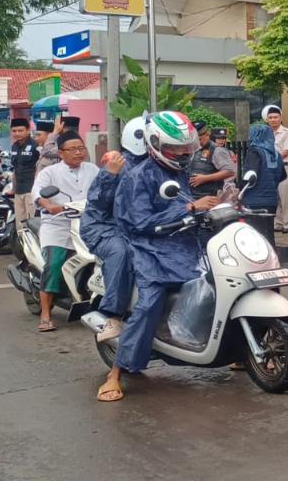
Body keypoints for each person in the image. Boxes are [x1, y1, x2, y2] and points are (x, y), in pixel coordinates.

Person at [97, 112, 219, 402]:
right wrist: (188, 210)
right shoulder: (137, 176)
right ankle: (115, 373)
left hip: (185, 243)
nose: (180, 154)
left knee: (219, 283)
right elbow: (137, 221)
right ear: (153, 144)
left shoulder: (178, 172)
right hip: (149, 247)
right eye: (174, 149)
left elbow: (187, 202)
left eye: (184, 148)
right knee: (150, 302)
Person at [81, 116, 150, 343]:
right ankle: (112, 315)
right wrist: (109, 174)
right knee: (121, 252)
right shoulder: (118, 163)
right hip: (104, 227)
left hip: (138, 226)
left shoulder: (159, 164)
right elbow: (98, 202)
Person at [31, 130, 101, 332]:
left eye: (81, 148)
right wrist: (48, 204)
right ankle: (45, 314)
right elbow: (38, 192)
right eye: (73, 149)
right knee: (54, 264)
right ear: (61, 153)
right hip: (58, 225)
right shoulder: (49, 173)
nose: (78, 152)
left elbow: (104, 189)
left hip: (88, 224)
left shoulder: (92, 169)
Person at [242, 123, 288, 246]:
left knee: (256, 236)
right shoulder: (276, 154)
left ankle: (261, 264)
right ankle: (274, 261)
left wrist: (239, 189)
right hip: (271, 201)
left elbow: (250, 176)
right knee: (268, 234)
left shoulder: (254, 151)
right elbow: (283, 175)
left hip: (255, 201)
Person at [263, 105, 288, 233]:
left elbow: (286, 152)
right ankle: (278, 223)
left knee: (285, 195)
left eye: (275, 117)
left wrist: (269, 158)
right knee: (274, 196)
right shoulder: (265, 133)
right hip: (270, 168)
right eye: (270, 117)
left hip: (283, 167)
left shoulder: (287, 132)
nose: (273, 120)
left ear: (281, 118)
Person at [187, 121, 236, 198]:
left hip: (209, 198)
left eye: (199, 139)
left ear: (207, 134)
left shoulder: (217, 150)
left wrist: (204, 178)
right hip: (191, 197)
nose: (197, 142)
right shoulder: (192, 149)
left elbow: (230, 171)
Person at [9, 118, 39, 235]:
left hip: (31, 190)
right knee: (20, 224)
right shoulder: (14, 147)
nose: (17, 133)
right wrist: (13, 188)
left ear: (28, 130)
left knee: (32, 222)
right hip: (18, 191)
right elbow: (15, 169)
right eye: (14, 131)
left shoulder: (35, 146)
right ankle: (22, 249)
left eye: (20, 130)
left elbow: (39, 168)